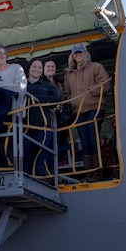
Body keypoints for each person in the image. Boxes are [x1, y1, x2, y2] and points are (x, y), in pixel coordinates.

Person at [62, 43, 111, 181]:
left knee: (93, 138)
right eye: (76, 53)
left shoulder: (96, 67)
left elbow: (105, 83)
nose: (78, 55)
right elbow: (66, 93)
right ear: (73, 55)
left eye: (80, 52)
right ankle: (89, 173)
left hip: (94, 108)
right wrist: (71, 100)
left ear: (85, 53)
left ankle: (98, 172)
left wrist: (90, 91)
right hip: (78, 111)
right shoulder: (68, 74)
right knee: (84, 141)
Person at [25, 58, 61, 176]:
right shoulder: (21, 85)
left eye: (39, 67)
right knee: (25, 155)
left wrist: (37, 98)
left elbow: (56, 100)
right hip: (24, 126)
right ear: (29, 69)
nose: (37, 69)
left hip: (43, 126)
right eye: (34, 67)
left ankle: (39, 181)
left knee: (39, 155)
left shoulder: (47, 85)